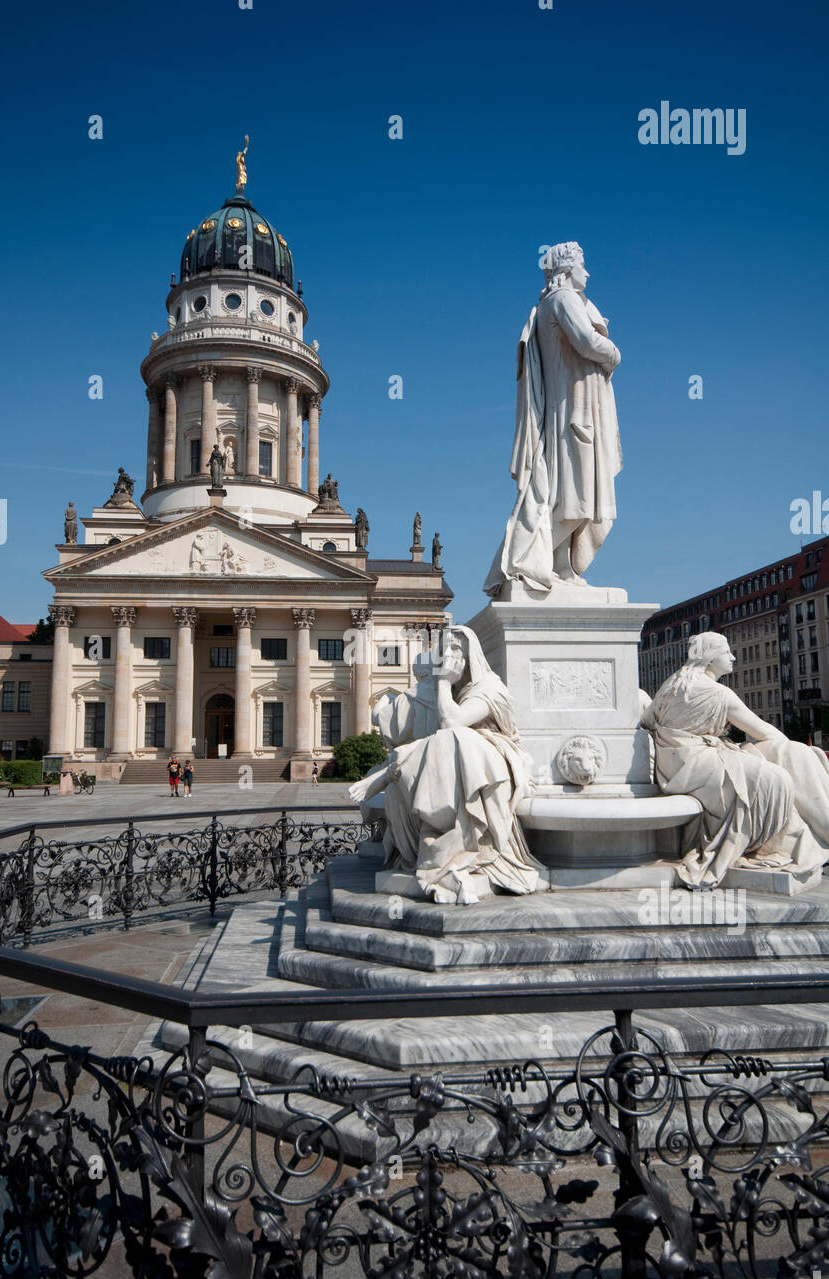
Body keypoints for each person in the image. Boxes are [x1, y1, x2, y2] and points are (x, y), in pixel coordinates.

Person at [349, 626, 541, 904]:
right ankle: (435, 840)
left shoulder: (490, 688)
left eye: (454, 649)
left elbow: (451, 721)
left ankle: (387, 775)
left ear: (469, 654)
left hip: (495, 763)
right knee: (446, 743)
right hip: (463, 760)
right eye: (443, 650)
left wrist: (441, 682)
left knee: (455, 736)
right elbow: (425, 724)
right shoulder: (452, 690)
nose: (447, 656)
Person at [485, 242, 622, 594]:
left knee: (570, 496)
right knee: (574, 498)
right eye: (582, 265)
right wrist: (615, 353)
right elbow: (586, 341)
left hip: (573, 412)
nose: (587, 273)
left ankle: (561, 566)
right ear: (566, 269)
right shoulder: (562, 300)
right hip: (575, 414)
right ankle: (521, 561)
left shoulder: (552, 303)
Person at [642, 632, 829, 888]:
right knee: (779, 774)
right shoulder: (718, 693)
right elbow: (763, 731)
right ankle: (805, 834)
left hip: (675, 765)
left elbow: (647, 722)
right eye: (726, 652)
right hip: (700, 763)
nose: (733, 657)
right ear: (710, 658)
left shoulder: (672, 685)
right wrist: (781, 747)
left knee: (792, 754)